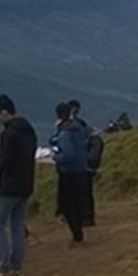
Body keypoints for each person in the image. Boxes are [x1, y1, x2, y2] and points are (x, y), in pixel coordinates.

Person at [0, 94, 36, 276]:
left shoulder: (8, 134)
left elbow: (5, 161)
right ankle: (16, 268)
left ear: (5, 113)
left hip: (9, 186)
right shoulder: (28, 129)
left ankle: (4, 268)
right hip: (26, 184)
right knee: (17, 226)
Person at [52, 102, 91, 245]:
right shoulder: (79, 128)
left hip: (68, 172)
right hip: (81, 169)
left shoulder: (64, 133)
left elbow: (68, 154)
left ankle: (77, 236)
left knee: (69, 205)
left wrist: (55, 157)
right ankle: (79, 232)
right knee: (80, 203)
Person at [67, 101, 97, 227]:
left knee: (82, 192)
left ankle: (85, 216)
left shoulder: (68, 126)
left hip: (77, 165)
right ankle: (87, 216)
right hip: (83, 163)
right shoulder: (80, 125)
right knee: (86, 192)